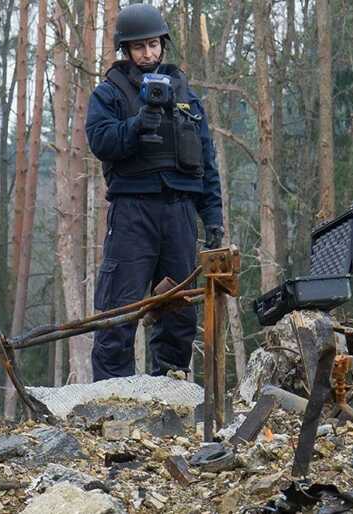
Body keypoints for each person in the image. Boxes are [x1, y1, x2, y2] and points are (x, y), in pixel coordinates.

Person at [85, 3, 223, 381]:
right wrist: (135, 126)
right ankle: (110, 404)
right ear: (125, 50)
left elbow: (207, 164)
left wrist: (213, 219)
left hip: (180, 213)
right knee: (119, 311)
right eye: (139, 47)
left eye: (153, 45)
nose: (148, 54)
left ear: (163, 45)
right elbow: (99, 140)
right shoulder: (109, 94)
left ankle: (170, 397)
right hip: (133, 212)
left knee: (178, 314)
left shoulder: (187, 98)